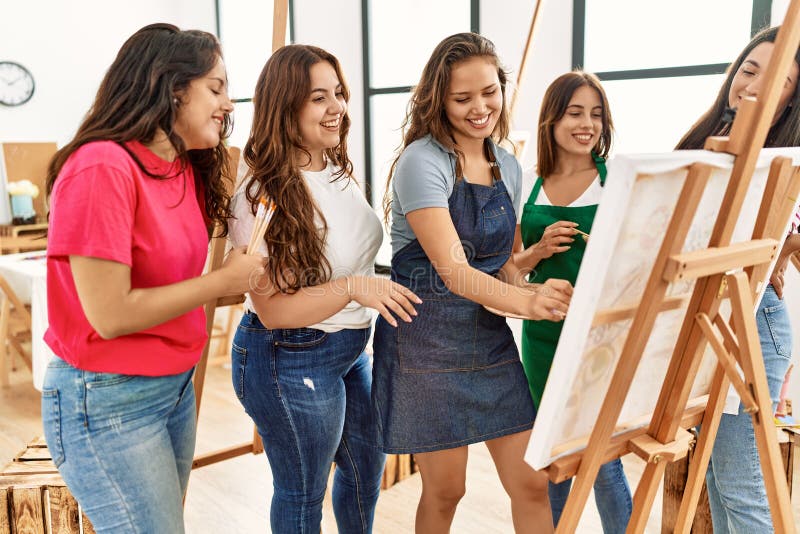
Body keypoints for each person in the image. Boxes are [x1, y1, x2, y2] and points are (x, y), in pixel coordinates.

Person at [41, 23, 265, 534]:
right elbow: (112, 314)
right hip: (108, 398)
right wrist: (220, 280)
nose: (228, 104)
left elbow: (184, 286)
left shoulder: (185, 168)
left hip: (173, 387)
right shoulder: (100, 166)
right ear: (171, 87)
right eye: (216, 88)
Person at [375, 32, 573, 533]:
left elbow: (500, 269)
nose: (479, 107)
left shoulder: (507, 165)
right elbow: (455, 272)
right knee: (446, 491)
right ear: (439, 101)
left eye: (489, 92)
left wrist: (533, 282)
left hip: (487, 342)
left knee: (533, 481)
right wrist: (529, 306)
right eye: (462, 99)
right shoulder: (423, 161)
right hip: (426, 346)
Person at [228, 44, 420, 534]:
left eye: (338, 93)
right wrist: (356, 287)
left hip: (352, 346)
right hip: (289, 355)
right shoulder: (260, 189)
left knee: (364, 477)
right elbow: (273, 311)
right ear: (284, 104)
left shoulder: (332, 164)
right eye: (319, 97)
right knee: (302, 493)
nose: (337, 107)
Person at [676, 25, 800, 533]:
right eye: (749, 69)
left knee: (739, 483)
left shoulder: (787, 162)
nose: (753, 84)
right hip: (705, 320)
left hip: (753, 325)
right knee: (719, 483)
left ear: (793, 97)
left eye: (778, 79)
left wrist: (779, 250)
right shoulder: (703, 142)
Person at [515, 71, 632, 532]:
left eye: (597, 114)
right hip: (543, 338)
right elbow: (510, 271)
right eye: (575, 112)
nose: (587, 124)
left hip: (602, 337)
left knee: (602, 460)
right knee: (553, 457)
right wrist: (539, 250)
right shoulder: (526, 184)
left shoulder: (618, 180)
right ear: (551, 119)